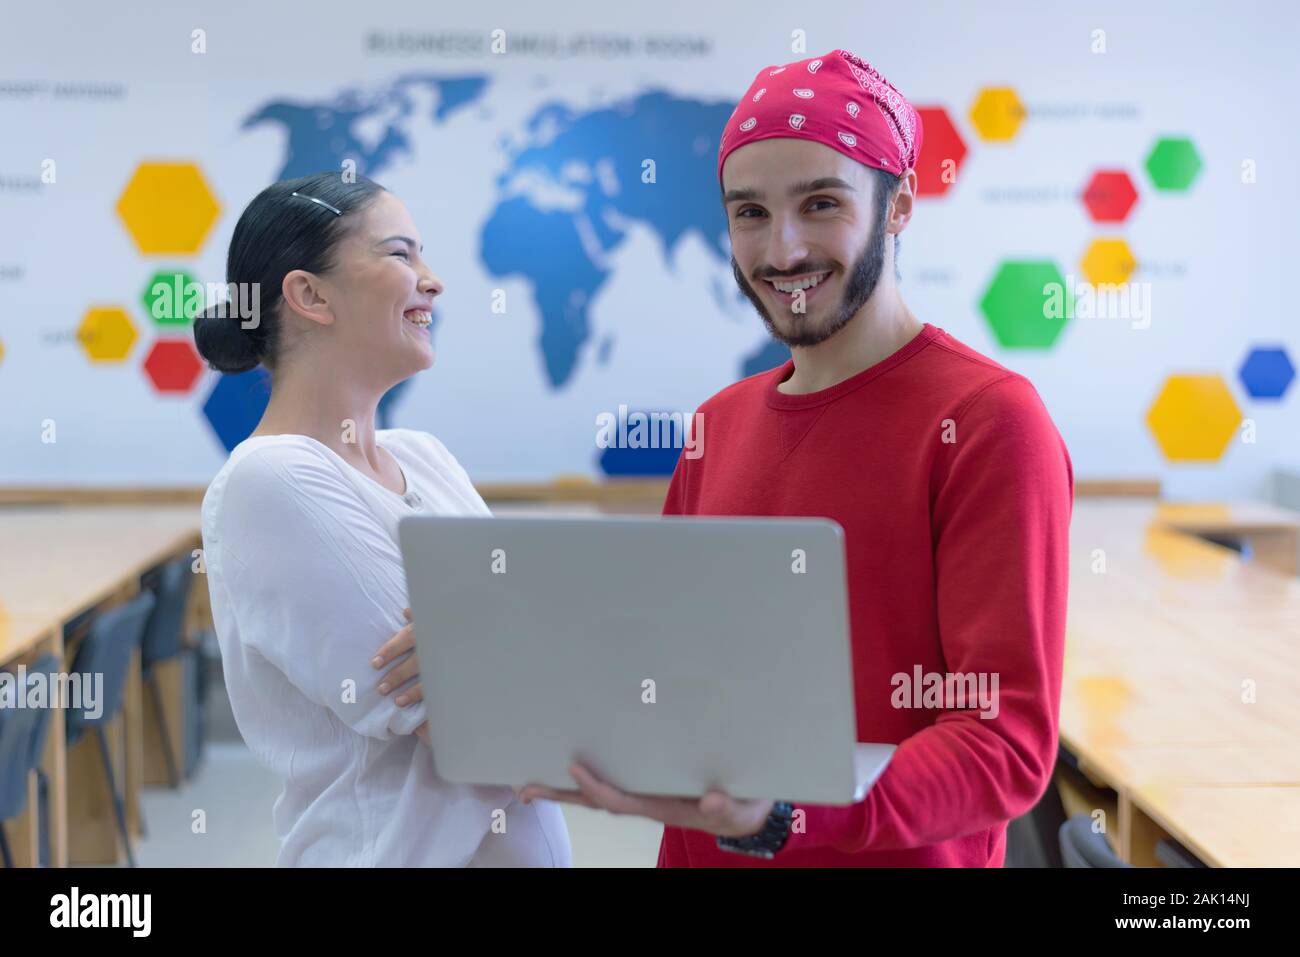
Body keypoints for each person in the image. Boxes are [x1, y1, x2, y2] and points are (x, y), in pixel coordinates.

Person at [519, 49, 1074, 867]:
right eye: (748, 213)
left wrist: (787, 814)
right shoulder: (719, 423)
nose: (781, 251)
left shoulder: (989, 421)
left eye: (820, 204)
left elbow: (1004, 742)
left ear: (900, 206)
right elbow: (663, 670)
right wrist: (509, 654)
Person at [195, 172, 570, 867]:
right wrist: (525, 632)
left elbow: (527, 637)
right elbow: (476, 720)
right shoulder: (270, 481)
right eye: (401, 255)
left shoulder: (422, 457)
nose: (432, 281)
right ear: (309, 295)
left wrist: (509, 635)